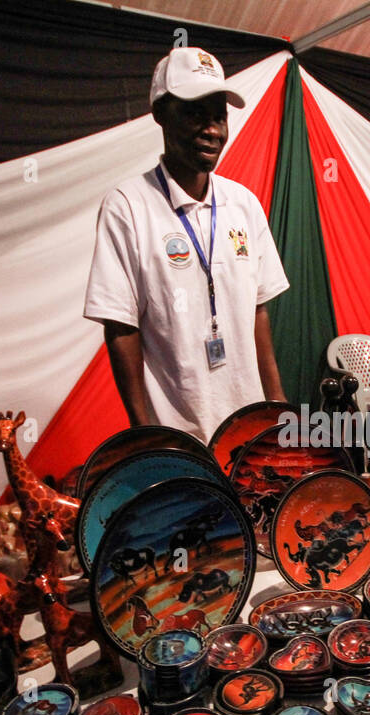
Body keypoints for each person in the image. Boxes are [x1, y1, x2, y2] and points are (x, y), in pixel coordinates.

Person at [83, 47, 289, 442]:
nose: (211, 130)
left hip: (247, 429)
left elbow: (258, 309)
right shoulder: (127, 206)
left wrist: (276, 403)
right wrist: (145, 432)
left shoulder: (243, 204)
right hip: (174, 436)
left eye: (219, 116)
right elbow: (120, 326)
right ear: (161, 113)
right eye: (195, 113)